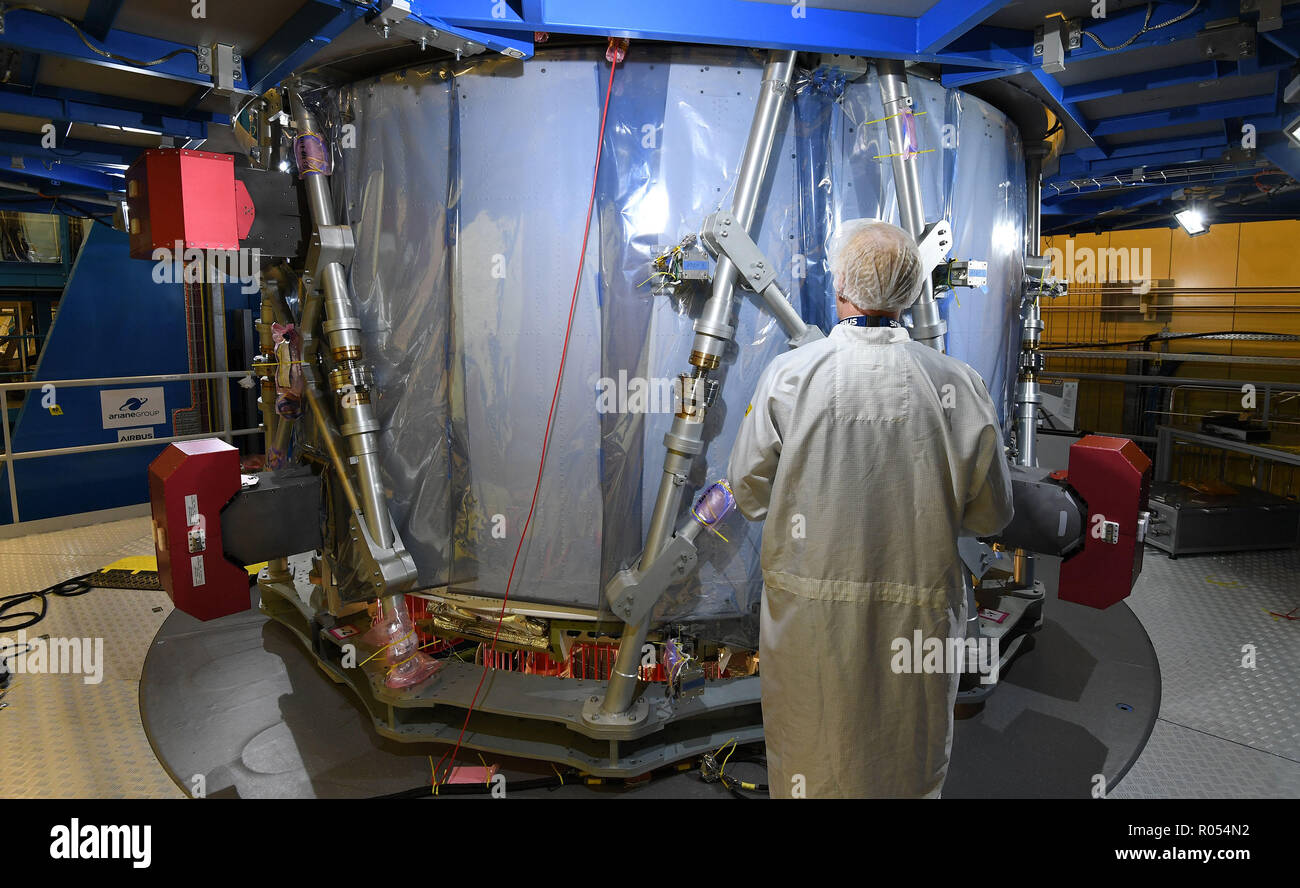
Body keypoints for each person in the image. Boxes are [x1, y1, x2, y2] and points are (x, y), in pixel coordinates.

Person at [727, 219, 1014, 798]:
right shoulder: (959, 384)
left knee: (812, 750)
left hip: (811, 621)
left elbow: (748, 492)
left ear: (840, 289)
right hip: (919, 620)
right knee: (906, 758)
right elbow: (992, 516)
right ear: (912, 292)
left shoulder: (789, 377)